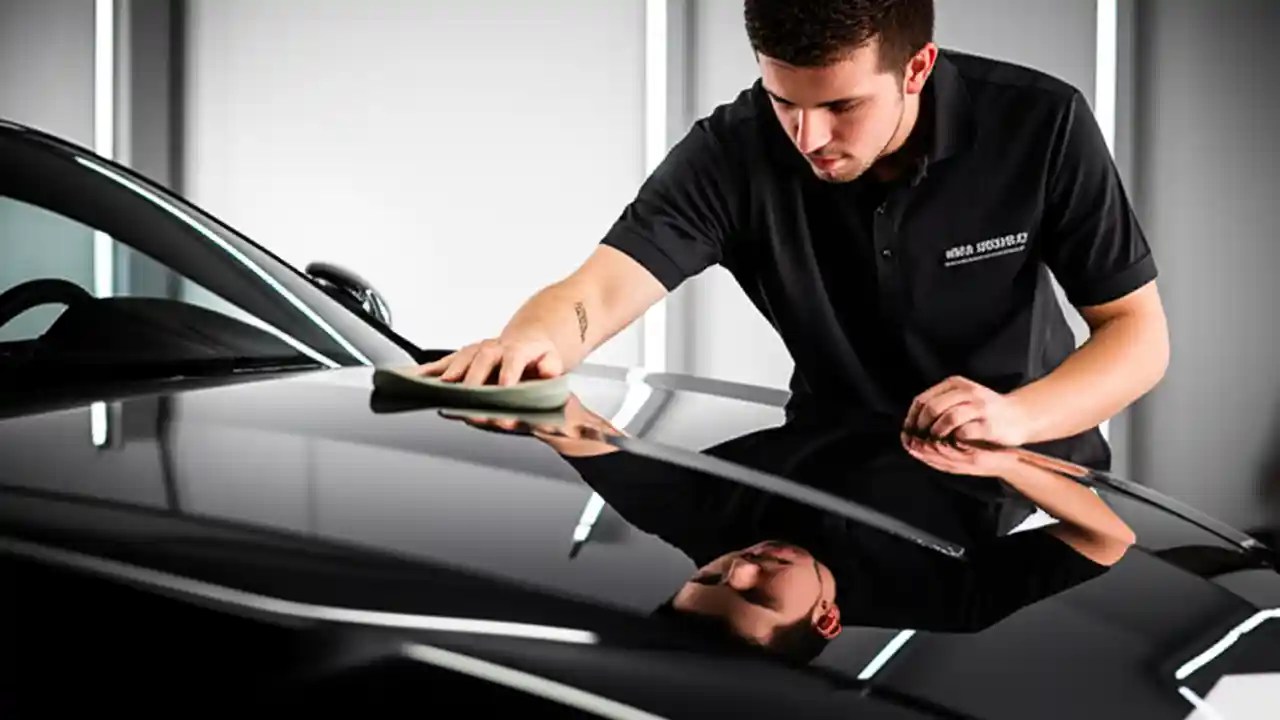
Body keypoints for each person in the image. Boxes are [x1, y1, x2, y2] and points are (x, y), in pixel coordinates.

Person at [419, 0, 1169, 470]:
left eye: (841, 105)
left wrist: (1016, 416)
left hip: (1034, 475)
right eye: (784, 102)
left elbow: (1137, 334)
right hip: (833, 483)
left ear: (917, 69)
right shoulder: (735, 149)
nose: (809, 136)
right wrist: (534, 340)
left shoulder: (1040, 123)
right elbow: (599, 288)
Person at [444, 396, 1136, 664]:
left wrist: (504, 393)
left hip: (855, 343)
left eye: (709, 578)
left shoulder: (692, 523)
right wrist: (1003, 458)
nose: (740, 567)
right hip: (1000, 392)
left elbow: (572, 424)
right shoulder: (944, 601)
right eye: (759, 595)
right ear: (828, 619)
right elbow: (1108, 540)